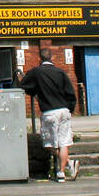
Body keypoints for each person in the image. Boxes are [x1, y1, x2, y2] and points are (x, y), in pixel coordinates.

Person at [17, 48, 79, 182]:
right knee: (64, 143)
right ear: (52, 58)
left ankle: (68, 163)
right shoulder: (61, 72)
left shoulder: (36, 72)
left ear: (40, 59)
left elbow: (24, 85)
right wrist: (71, 108)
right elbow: (70, 93)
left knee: (49, 144)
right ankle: (62, 173)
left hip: (49, 111)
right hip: (64, 110)